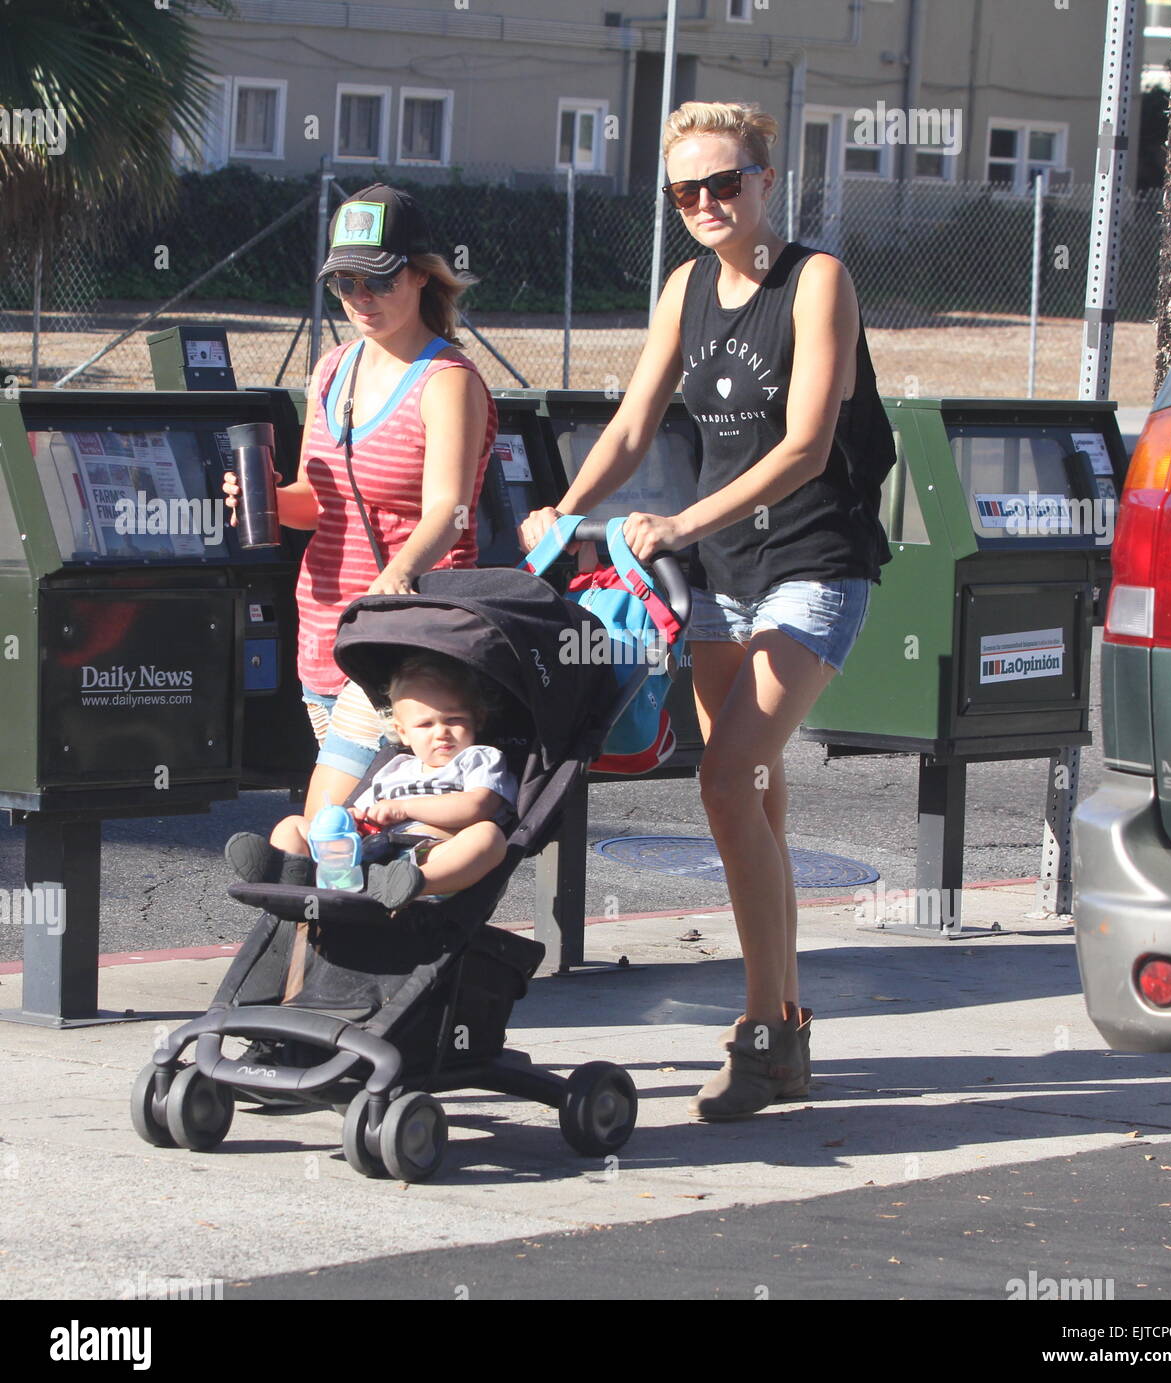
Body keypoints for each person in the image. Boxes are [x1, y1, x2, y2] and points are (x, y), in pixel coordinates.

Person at [519, 101, 894, 1121]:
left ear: (767, 180)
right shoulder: (685, 288)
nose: (706, 205)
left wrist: (676, 522)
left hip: (814, 558)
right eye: (686, 191)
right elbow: (636, 422)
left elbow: (807, 447)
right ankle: (788, 1027)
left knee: (728, 778)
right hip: (722, 569)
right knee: (752, 795)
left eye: (724, 183)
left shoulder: (817, 281)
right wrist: (566, 506)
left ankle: (763, 1032)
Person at [223, 183, 498, 829]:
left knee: (326, 822)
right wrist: (260, 496)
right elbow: (318, 502)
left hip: (401, 634)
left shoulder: (447, 380)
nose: (360, 299)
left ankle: (328, 916)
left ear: (421, 275)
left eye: (376, 281)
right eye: (345, 284)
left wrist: (397, 575)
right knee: (371, 836)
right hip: (324, 631)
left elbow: (450, 509)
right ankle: (387, 923)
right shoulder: (332, 369)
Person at [227, 654, 516, 910]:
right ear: (402, 732)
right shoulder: (395, 766)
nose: (441, 732)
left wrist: (405, 809)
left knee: (488, 837)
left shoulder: (478, 758)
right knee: (294, 825)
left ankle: (414, 884)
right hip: (366, 853)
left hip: (431, 854)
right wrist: (350, 818)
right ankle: (289, 871)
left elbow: (477, 806)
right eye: (426, 725)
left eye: (454, 719)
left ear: (477, 720)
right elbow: (362, 809)